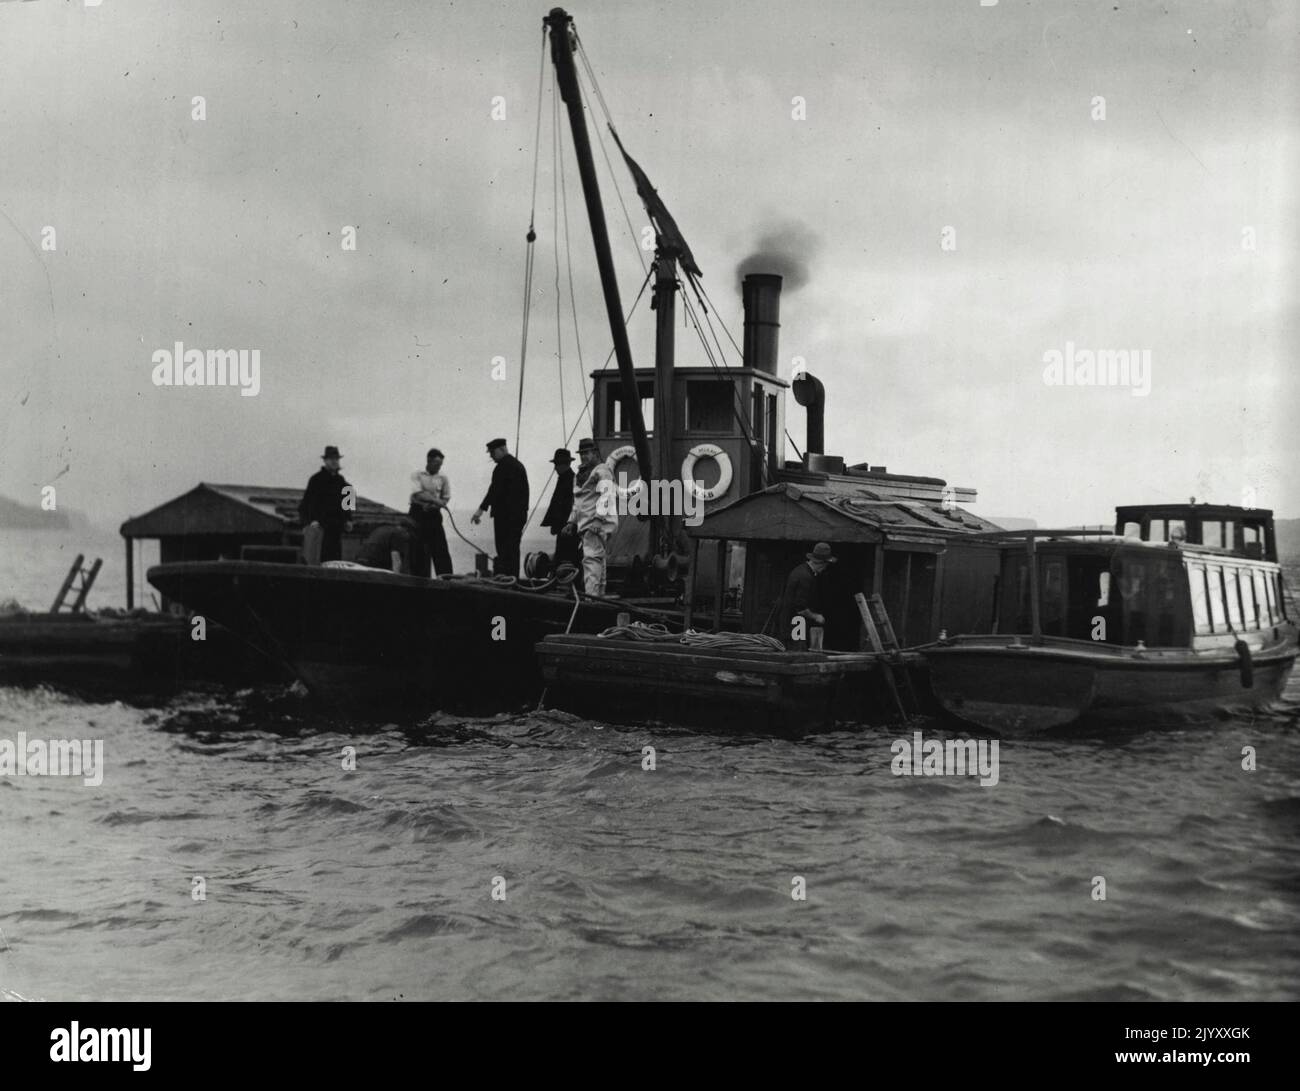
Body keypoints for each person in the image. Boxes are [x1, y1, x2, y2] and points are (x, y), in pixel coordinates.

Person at [564, 438, 617, 595]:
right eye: (582, 454)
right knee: (598, 559)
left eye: (587, 453)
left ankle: (591, 598)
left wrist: (598, 518)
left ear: (595, 453)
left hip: (594, 524)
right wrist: (571, 522)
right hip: (588, 523)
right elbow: (579, 502)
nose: (584, 457)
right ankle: (598, 597)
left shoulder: (602, 471)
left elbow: (607, 495)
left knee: (592, 560)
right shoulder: (582, 475)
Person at [471, 438, 529, 577]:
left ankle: (507, 581)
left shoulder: (502, 467)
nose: (490, 456)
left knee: (504, 550)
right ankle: (512, 580)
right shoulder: (517, 465)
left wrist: (480, 510)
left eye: (492, 452)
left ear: (502, 449)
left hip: (506, 518)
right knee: (512, 550)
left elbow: (494, 491)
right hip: (517, 517)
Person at [299, 445, 352, 564]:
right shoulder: (316, 480)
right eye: (331, 459)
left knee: (335, 561)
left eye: (336, 459)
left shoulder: (343, 482)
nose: (334, 461)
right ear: (325, 461)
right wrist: (310, 521)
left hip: (336, 529)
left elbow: (349, 501)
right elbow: (306, 504)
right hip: (320, 528)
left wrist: (349, 519)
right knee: (318, 560)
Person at [780, 542, 836, 649]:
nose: (825, 569)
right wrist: (816, 616)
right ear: (822, 563)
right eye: (826, 565)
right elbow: (800, 608)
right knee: (797, 656)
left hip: (793, 626)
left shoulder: (800, 570)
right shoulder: (805, 577)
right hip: (796, 627)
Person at [409, 448, 453, 576]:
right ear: (428, 461)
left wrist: (436, 505)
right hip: (418, 513)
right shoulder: (417, 474)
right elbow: (418, 493)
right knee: (419, 548)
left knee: (440, 548)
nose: (439, 467)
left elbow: (446, 497)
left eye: (441, 465)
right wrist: (434, 500)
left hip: (434, 514)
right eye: (436, 464)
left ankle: (446, 578)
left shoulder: (443, 478)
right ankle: (420, 579)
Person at [540, 447, 579, 570]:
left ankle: (566, 584)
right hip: (565, 528)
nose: (555, 467)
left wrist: (557, 525)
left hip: (567, 528)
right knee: (564, 557)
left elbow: (565, 506)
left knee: (565, 558)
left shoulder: (570, 480)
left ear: (563, 464)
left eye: (556, 464)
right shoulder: (565, 478)